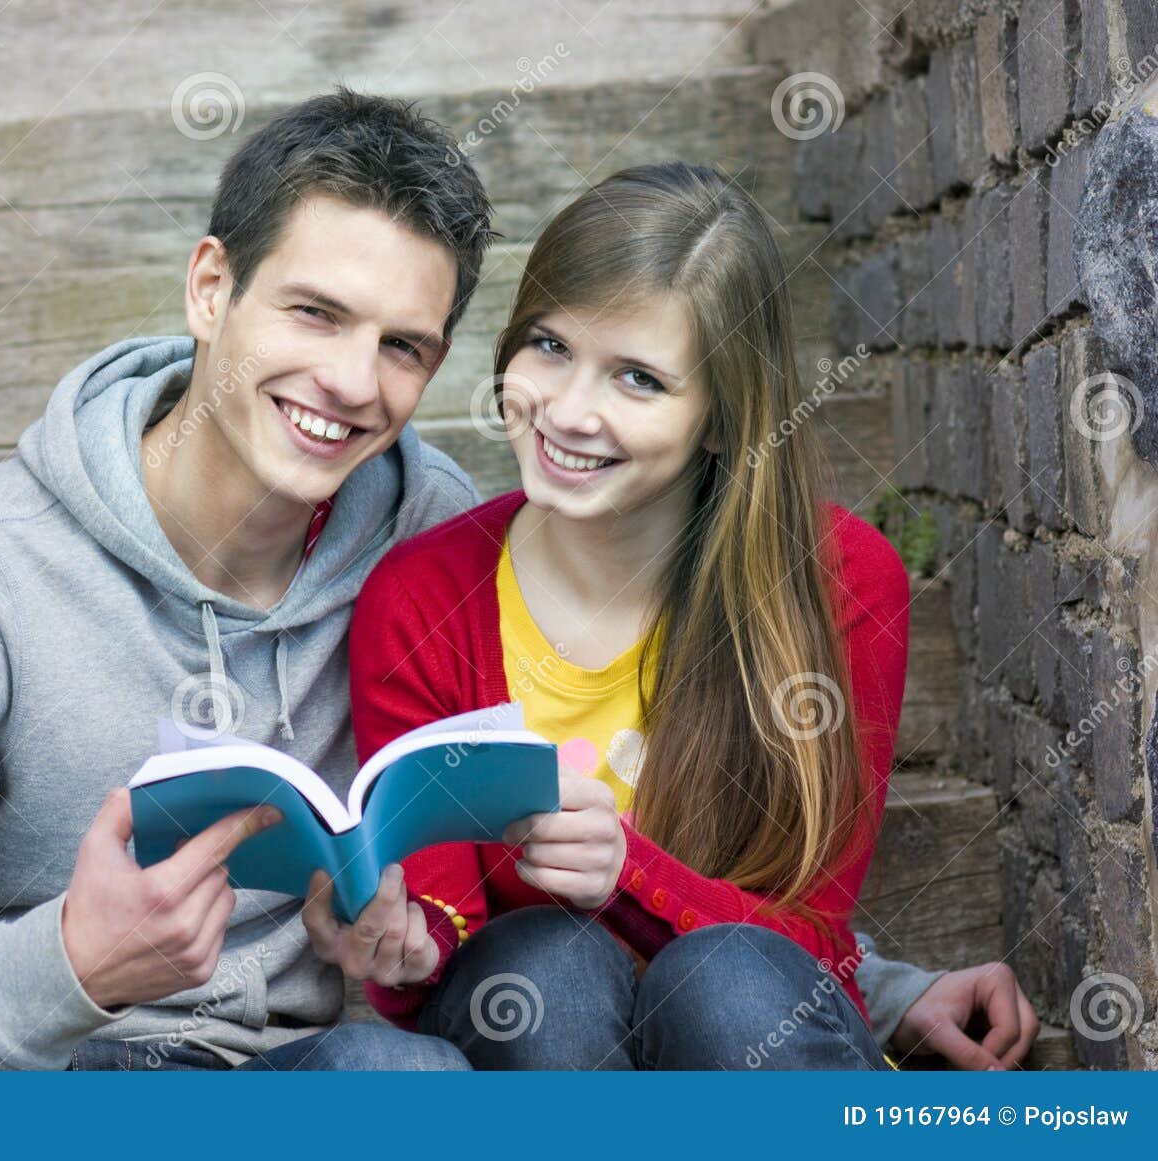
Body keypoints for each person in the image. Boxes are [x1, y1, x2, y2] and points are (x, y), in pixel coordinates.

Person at [0, 89, 1034, 1072]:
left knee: (414, 1072)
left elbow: (608, 879)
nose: (353, 384)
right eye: (312, 315)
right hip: (27, 1074)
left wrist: (873, 982)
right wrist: (70, 963)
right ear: (212, 289)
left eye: (403, 346)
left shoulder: (432, 529)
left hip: (287, 1069)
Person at [341, 161, 971, 1070]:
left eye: (638, 378)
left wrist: (625, 872)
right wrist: (398, 948)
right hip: (546, 1049)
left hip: (751, 1029)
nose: (568, 410)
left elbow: (818, 942)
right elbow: (435, 944)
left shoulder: (840, 581)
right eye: (550, 346)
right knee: (541, 964)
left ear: (721, 418)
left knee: (721, 979)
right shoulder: (420, 597)